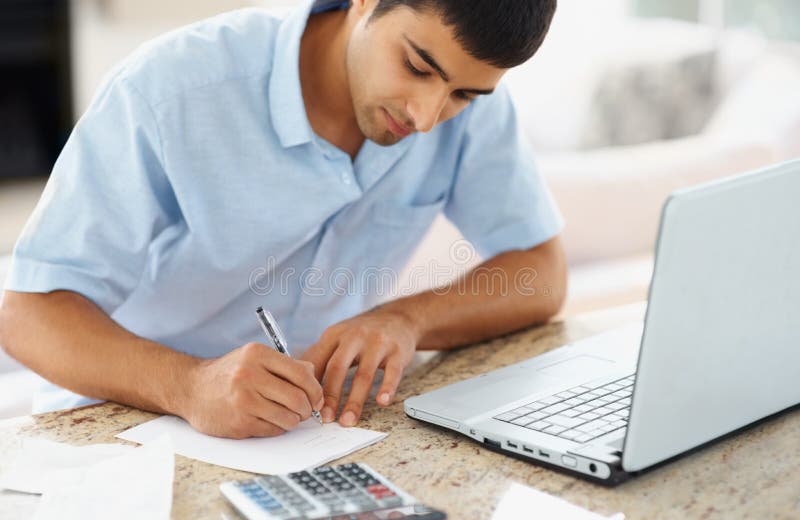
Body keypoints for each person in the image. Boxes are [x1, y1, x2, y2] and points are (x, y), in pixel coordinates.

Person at [0, 0, 565, 438]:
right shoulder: (169, 90)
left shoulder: (464, 108)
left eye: (464, 94)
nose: (426, 116)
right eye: (416, 66)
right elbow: (27, 314)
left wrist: (407, 319)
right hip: (124, 429)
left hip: (304, 432)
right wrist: (190, 386)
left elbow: (542, 272)